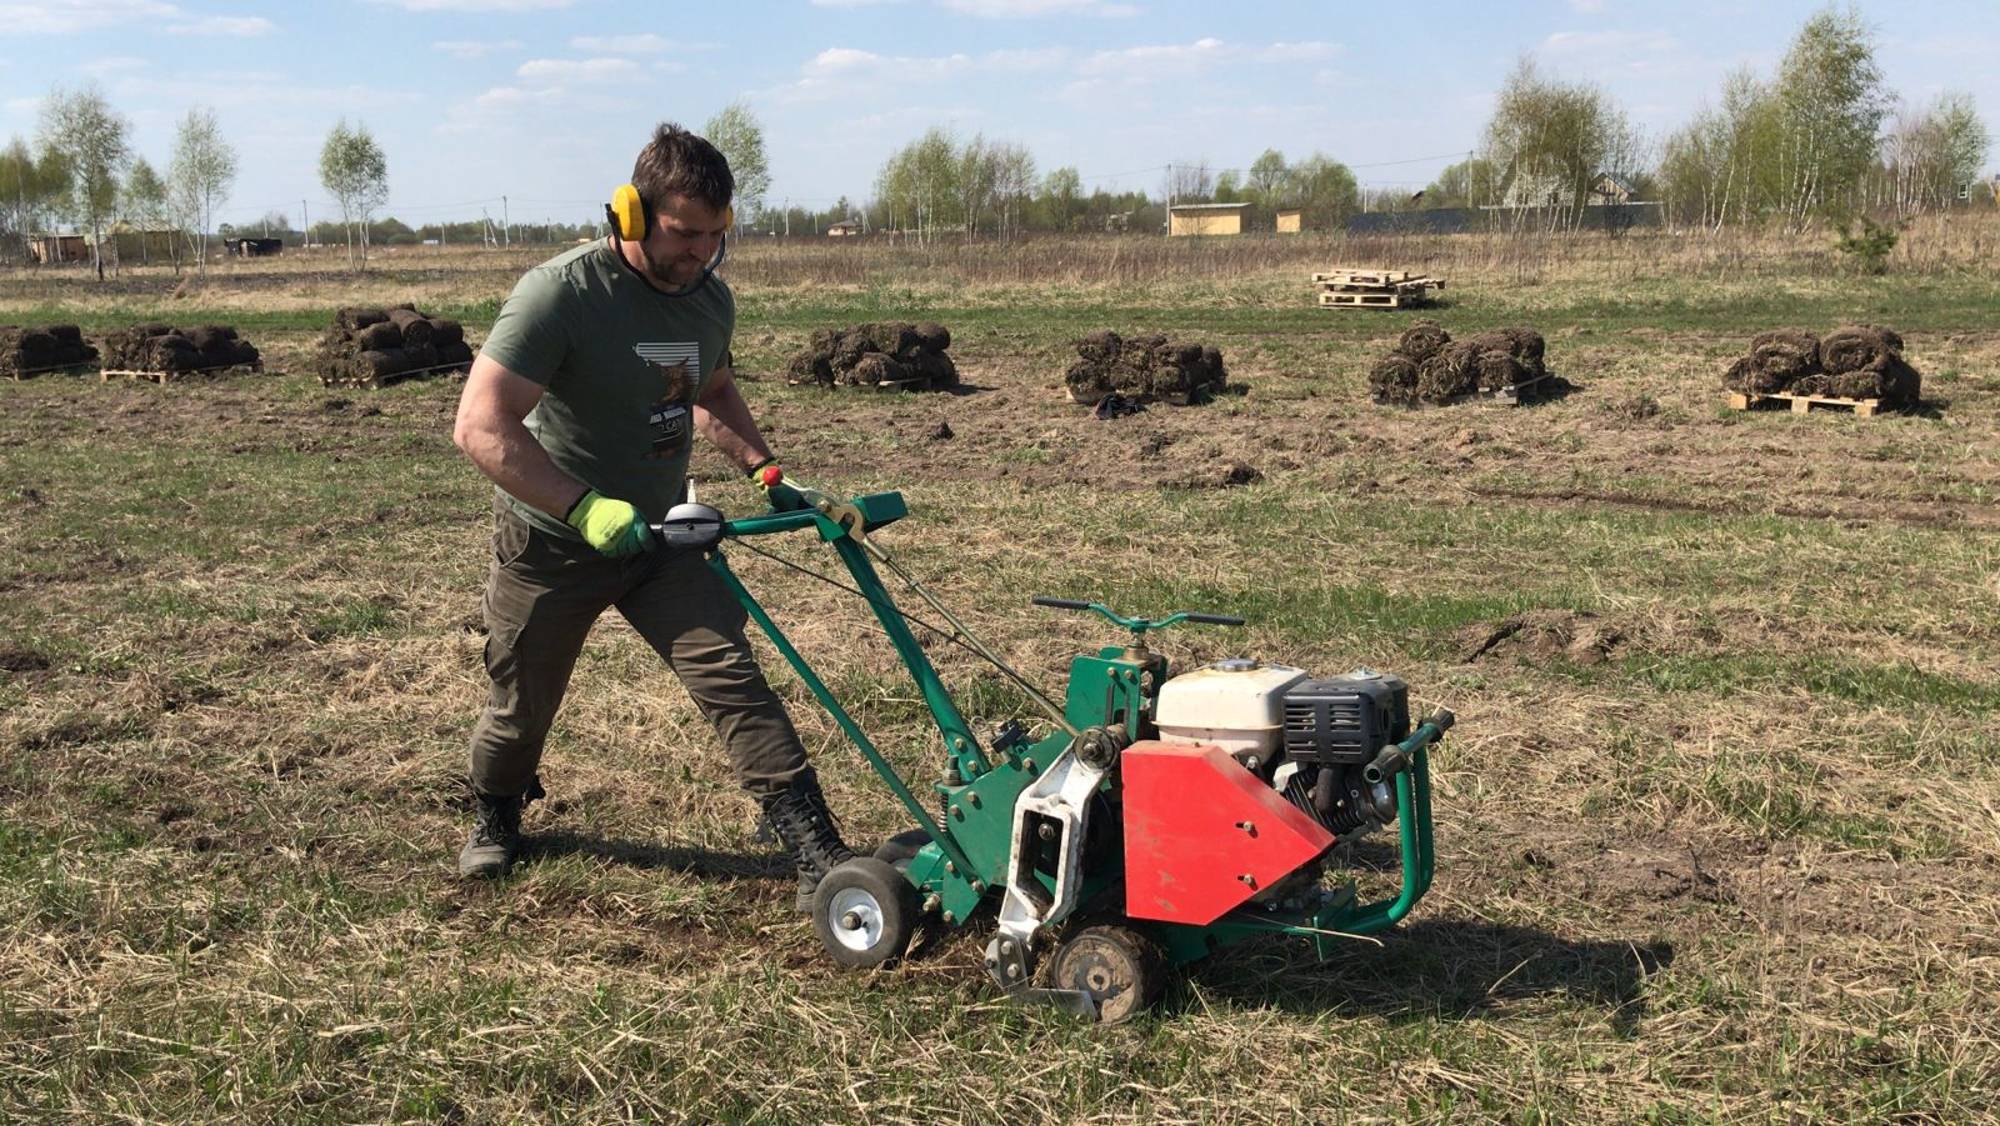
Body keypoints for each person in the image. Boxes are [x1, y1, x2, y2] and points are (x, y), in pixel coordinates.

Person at [449, 122, 855, 909]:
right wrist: (582, 504)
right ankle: (497, 811)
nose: (698, 254)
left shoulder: (707, 302)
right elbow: (479, 425)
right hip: (552, 544)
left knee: (733, 679)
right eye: (682, 234)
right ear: (631, 214)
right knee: (520, 705)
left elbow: (712, 391)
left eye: (713, 237)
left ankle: (814, 847)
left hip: (663, 540)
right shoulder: (560, 295)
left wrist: (766, 470)